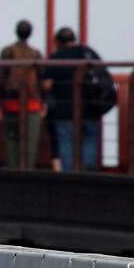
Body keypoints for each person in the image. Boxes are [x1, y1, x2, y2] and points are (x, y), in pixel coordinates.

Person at [42, 27, 105, 171]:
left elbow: (46, 84)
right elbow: (102, 74)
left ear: (57, 42)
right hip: (91, 108)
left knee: (66, 144)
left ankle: (69, 178)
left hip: (65, 110)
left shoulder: (56, 58)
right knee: (90, 141)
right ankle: (89, 175)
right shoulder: (88, 53)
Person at [0, 19, 44, 170]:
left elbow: (1, 78)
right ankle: (27, 175)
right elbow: (41, 80)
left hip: (10, 104)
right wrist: (44, 103)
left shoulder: (7, 51)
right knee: (30, 145)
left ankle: (12, 174)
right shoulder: (36, 54)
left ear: (16, 32)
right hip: (32, 105)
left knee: (11, 144)